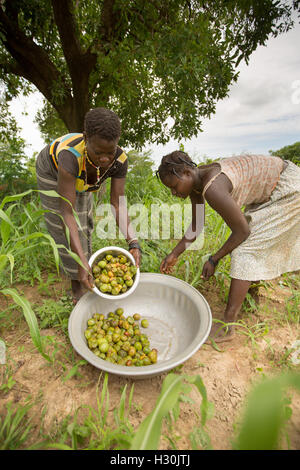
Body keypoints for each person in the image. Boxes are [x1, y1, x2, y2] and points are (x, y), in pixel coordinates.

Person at [156, 151, 300, 342]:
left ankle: (227, 325)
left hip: (287, 188)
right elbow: (197, 224)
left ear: (187, 173)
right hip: (273, 187)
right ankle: (251, 297)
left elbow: (242, 232)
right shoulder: (196, 184)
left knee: (245, 251)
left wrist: (214, 259)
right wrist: (174, 254)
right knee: (252, 245)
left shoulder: (212, 187)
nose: (174, 193)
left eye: (174, 186)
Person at [36, 107, 141, 304]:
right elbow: (66, 212)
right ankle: (77, 286)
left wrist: (133, 242)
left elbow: (117, 205)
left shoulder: (119, 161)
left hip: (83, 172)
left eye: (109, 152)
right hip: (53, 169)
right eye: (98, 152)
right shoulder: (70, 156)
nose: (104, 159)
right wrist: (80, 263)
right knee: (63, 227)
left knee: (85, 224)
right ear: (86, 139)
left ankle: (85, 266)